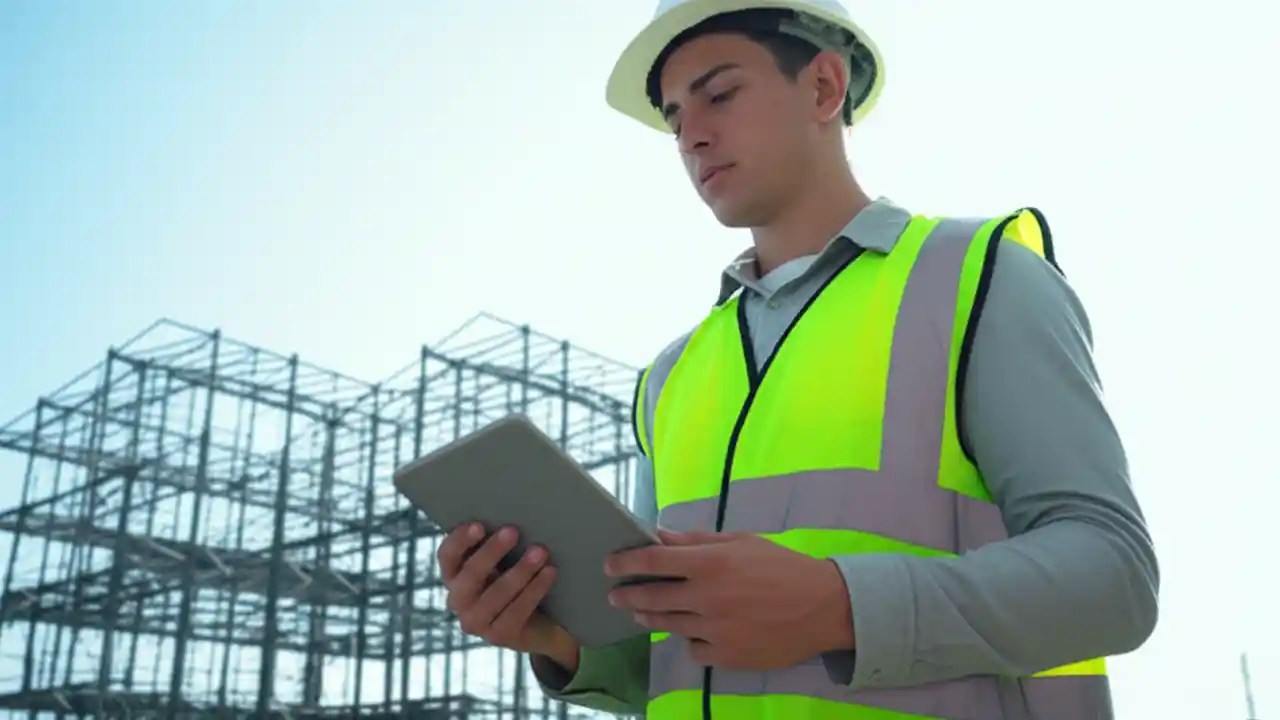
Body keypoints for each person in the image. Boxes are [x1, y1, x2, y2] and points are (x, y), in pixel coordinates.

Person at [434, 0, 1160, 717]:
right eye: (675, 116)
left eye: (720, 94)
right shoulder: (673, 376)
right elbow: (670, 657)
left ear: (822, 87)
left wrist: (838, 606)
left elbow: (1114, 579)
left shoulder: (979, 277)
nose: (693, 135)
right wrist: (556, 638)